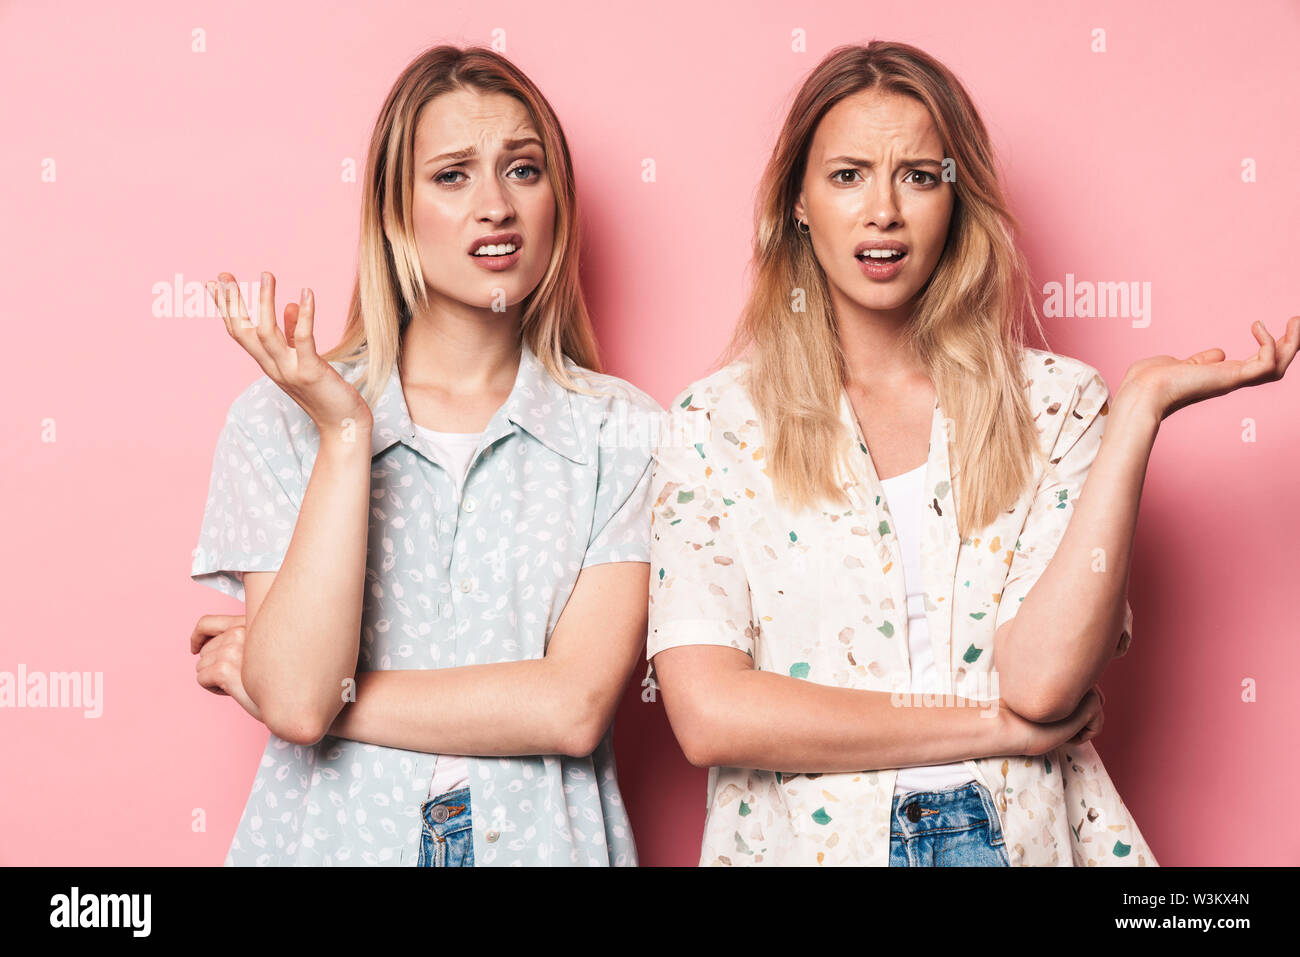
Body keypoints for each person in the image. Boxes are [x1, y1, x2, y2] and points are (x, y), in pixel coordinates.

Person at [643, 40, 1298, 866]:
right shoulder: (712, 424)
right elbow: (712, 716)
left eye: (919, 176)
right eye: (847, 175)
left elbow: (1044, 682)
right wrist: (992, 726)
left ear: (956, 199)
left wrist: (1135, 415)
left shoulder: (1058, 405)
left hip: (1026, 838)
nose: (883, 210)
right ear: (799, 202)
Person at [189, 45, 661, 866]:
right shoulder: (277, 422)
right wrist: (344, 434)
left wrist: (294, 687)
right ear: (395, 212)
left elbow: (572, 707)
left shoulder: (627, 434)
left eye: (523, 169)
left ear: (560, 200)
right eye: (451, 175)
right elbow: (298, 704)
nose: (495, 207)